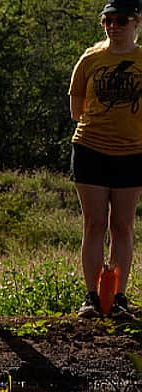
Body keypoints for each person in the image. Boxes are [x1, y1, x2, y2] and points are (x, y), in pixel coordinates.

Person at [69, 0, 142, 320]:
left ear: (136, 21)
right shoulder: (91, 57)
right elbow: (76, 107)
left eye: (121, 20)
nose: (113, 26)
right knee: (94, 224)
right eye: (107, 20)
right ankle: (91, 296)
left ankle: (120, 297)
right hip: (90, 149)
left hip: (133, 153)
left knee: (122, 226)